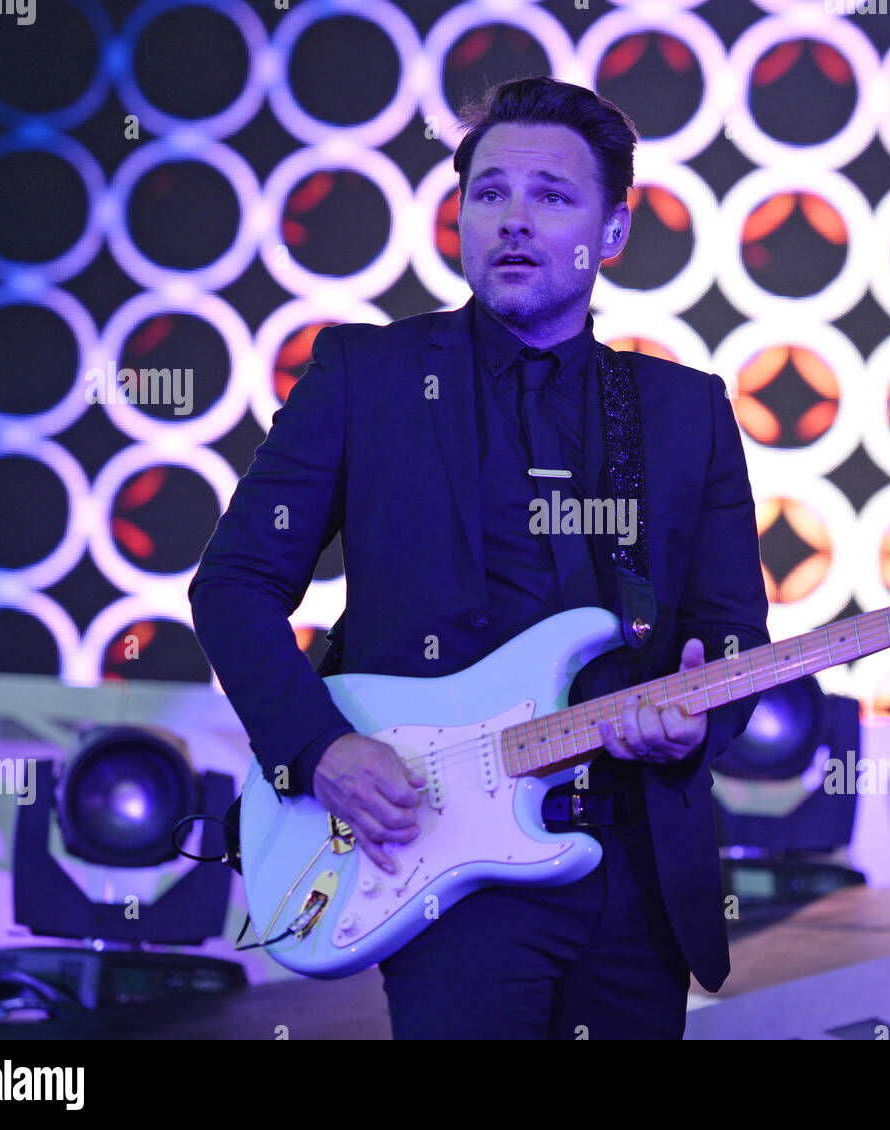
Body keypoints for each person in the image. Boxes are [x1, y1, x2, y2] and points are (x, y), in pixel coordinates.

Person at [189, 76, 769, 1039]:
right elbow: (236, 584)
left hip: (634, 868)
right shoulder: (364, 377)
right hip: (445, 854)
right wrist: (319, 748)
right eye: (489, 192)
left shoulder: (684, 410)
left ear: (613, 233)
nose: (513, 220)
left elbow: (732, 633)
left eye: (551, 196)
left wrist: (697, 725)